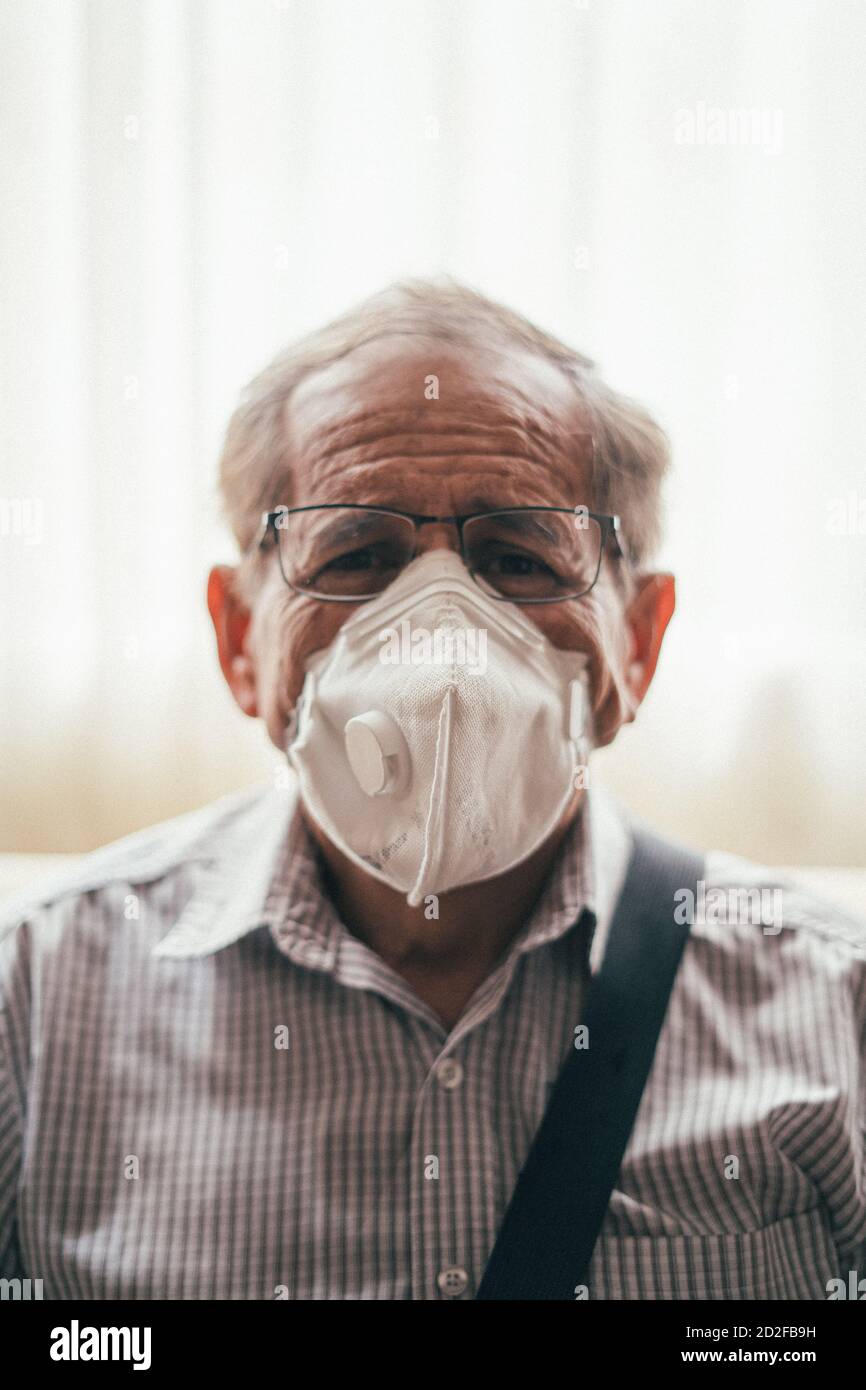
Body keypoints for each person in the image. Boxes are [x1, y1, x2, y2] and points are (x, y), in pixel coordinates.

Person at [1, 280, 864, 1301]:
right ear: (239, 640)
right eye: (358, 555)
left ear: (638, 638)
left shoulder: (832, 1012)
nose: (442, 633)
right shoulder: (38, 1006)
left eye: (517, 555)